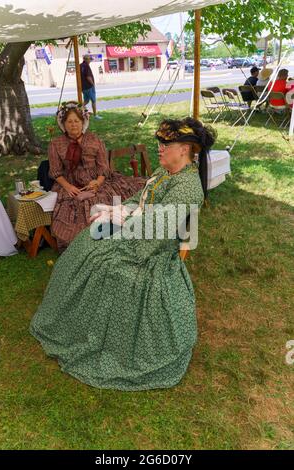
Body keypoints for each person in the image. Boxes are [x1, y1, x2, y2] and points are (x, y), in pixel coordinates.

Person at [30, 117, 217, 391]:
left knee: (103, 263)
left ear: (185, 149)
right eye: (159, 143)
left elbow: (155, 232)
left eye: (165, 143)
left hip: (151, 251)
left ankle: (103, 339)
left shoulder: (188, 188)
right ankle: (75, 326)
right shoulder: (165, 172)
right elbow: (140, 200)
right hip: (136, 232)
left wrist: (119, 223)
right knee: (86, 243)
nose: (159, 148)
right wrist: (112, 211)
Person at [49, 101, 145, 251]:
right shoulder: (56, 143)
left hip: (98, 181)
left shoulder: (94, 139)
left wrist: (97, 182)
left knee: (108, 199)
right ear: (63, 124)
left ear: (83, 122)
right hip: (71, 184)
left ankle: (113, 234)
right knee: (76, 207)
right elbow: (55, 172)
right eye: (69, 122)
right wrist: (68, 187)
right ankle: (86, 243)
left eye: (77, 121)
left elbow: (103, 167)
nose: (73, 125)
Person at [80, 54, 101, 119]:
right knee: (93, 100)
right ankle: (95, 115)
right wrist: (92, 84)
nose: (90, 61)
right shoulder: (86, 66)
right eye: (89, 59)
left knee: (86, 101)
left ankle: (79, 109)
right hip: (89, 86)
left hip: (83, 87)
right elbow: (88, 77)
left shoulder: (80, 66)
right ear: (86, 59)